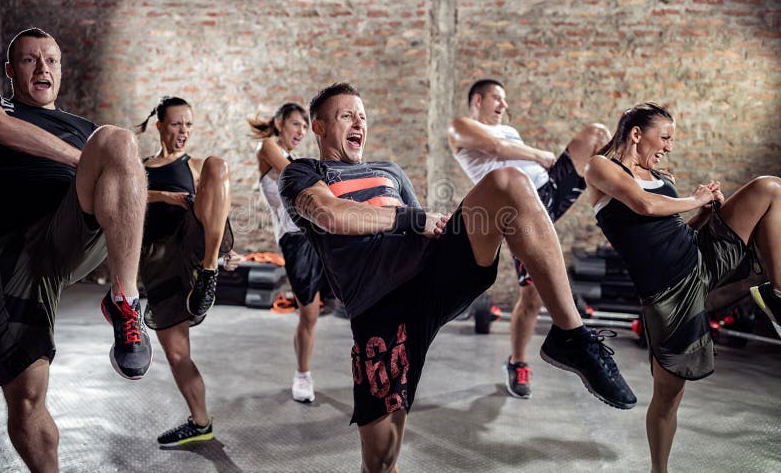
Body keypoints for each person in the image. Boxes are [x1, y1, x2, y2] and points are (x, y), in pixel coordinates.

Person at [279, 83, 636, 473]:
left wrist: (450, 228)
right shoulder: (304, 172)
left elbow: (423, 230)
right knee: (380, 461)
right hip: (379, 310)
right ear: (319, 127)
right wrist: (415, 218)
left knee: (509, 182)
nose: (358, 123)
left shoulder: (389, 171)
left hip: (431, 278)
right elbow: (330, 214)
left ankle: (573, 337)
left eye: (362, 116)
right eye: (346, 116)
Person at [0, 27, 151, 472]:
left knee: (118, 140)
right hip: (9, 251)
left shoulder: (89, 131)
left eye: (51, 60)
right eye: (29, 60)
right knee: (27, 397)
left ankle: (125, 301)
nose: (43, 68)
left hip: (69, 232)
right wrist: (79, 159)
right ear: (10, 70)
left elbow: (128, 195)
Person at [584, 102, 781, 473]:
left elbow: (673, 233)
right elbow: (643, 205)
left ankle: (778, 296)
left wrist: (702, 215)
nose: (669, 147)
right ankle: (659, 470)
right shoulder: (601, 167)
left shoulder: (659, 176)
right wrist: (695, 200)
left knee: (769, 188)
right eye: (665, 137)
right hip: (667, 291)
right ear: (637, 133)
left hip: (699, 255)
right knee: (669, 396)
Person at [449, 79, 612, 399]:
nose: (503, 104)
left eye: (505, 99)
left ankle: (621, 194)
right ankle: (517, 362)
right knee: (533, 297)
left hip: (550, 189)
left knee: (597, 134)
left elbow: (509, 149)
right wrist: (540, 154)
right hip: (519, 212)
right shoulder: (461, 127)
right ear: (477, 100)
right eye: (497, 98)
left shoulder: (509, 130)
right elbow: (495, 149)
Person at [134, 96, 234, 446]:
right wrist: (164, 196)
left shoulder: (193, 166)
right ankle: (201, 423)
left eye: (188, 124)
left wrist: (223, 253)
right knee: (178, 355)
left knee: (217, 165)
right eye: (176, 123)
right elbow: (125, 197)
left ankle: (209, 272)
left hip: (192, 245)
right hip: (157, 260)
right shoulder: (140, 167)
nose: (184, 131)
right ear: (159, 126)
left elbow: (215, 205)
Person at [252, 102, 329, 403]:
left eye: (304, 126)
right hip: (296, 239)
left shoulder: (295, 159)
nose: (301, 131)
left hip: (320, 234)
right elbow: (295, 177)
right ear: (279, 123)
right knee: (308, 312)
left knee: (319, 311)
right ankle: (302, 375)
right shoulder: (267, 147)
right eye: (296, 123)